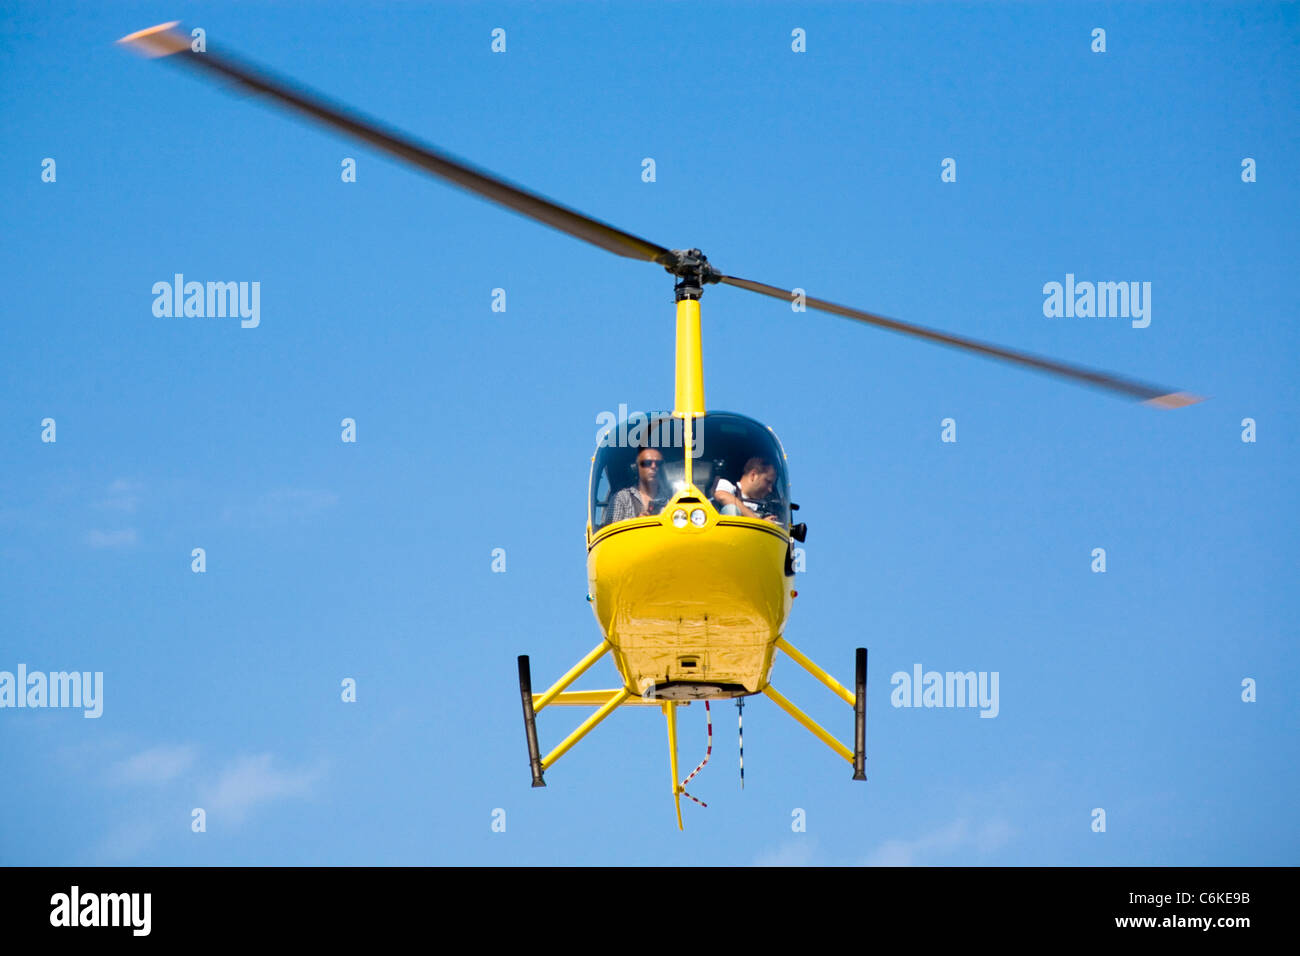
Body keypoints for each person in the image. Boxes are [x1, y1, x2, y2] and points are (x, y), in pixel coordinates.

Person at [607, 447, 668, 524]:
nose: (653, 466)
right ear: (637, 467)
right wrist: (636, 523)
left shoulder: (671, 498)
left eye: (658, 463)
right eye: (647, 463)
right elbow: (612, 531)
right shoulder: (621, 497)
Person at [714, 456, 781, 522]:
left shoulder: (765, 507)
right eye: (768, 482)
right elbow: (722, 496)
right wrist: (760, 522)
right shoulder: (727, 486)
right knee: (731, 509)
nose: (770, 489)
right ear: (753, 475)